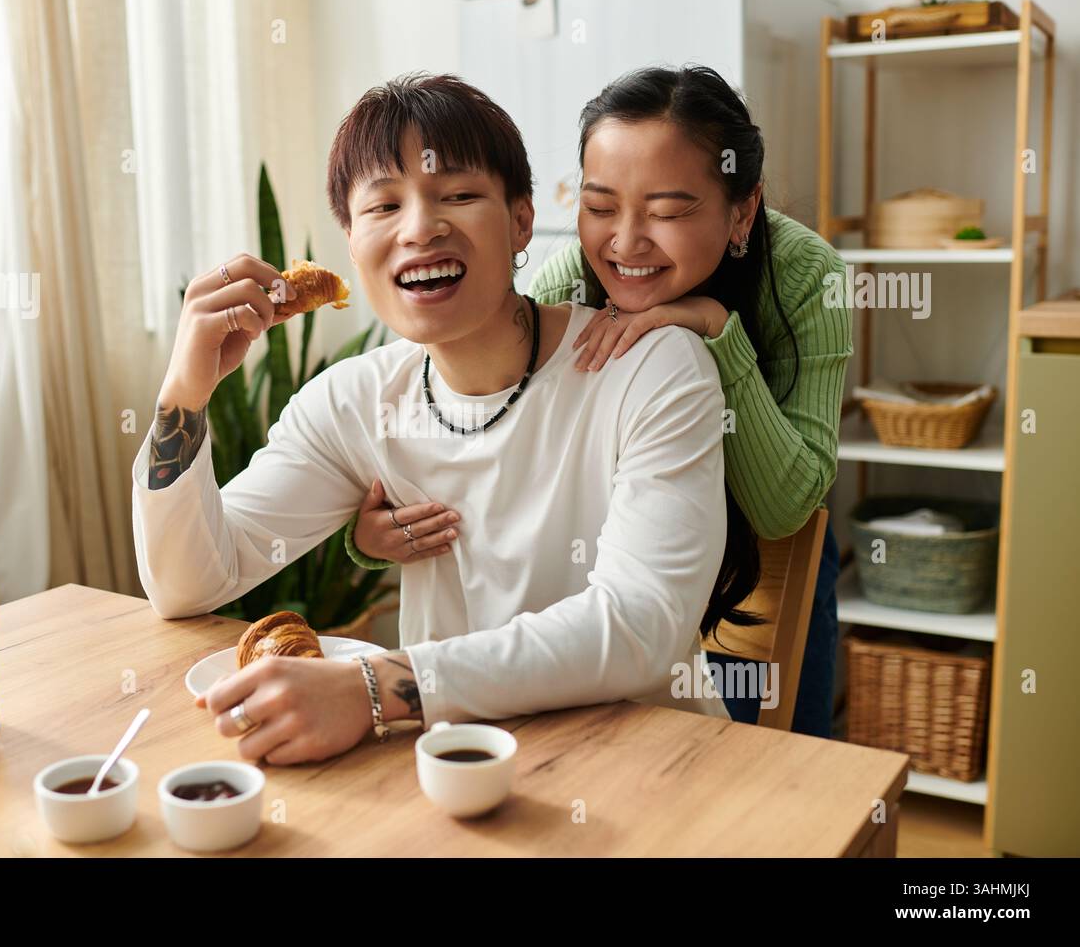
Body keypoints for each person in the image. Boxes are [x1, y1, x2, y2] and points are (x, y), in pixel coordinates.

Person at [132, 74, 741, 767]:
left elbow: (640, 629)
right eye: (384, 205)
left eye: (457, 195)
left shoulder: (652, 366)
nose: (420, 228)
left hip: (653, 765)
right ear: (352, 242)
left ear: (520, 222)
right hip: (454, 770)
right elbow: (191, 585)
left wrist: (371, 688)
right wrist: (184, 390)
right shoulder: (354, 402)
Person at [347, 66, 852, 737]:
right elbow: (478, 426)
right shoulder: (572, 279)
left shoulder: (807, 277)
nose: (626, 241)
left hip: (755, 568)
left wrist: (713, 332)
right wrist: (371, 537)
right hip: (620, 558)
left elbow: (788, 505)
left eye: (668, 212)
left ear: (742, 210)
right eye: (601, 206)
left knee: (769, 787)